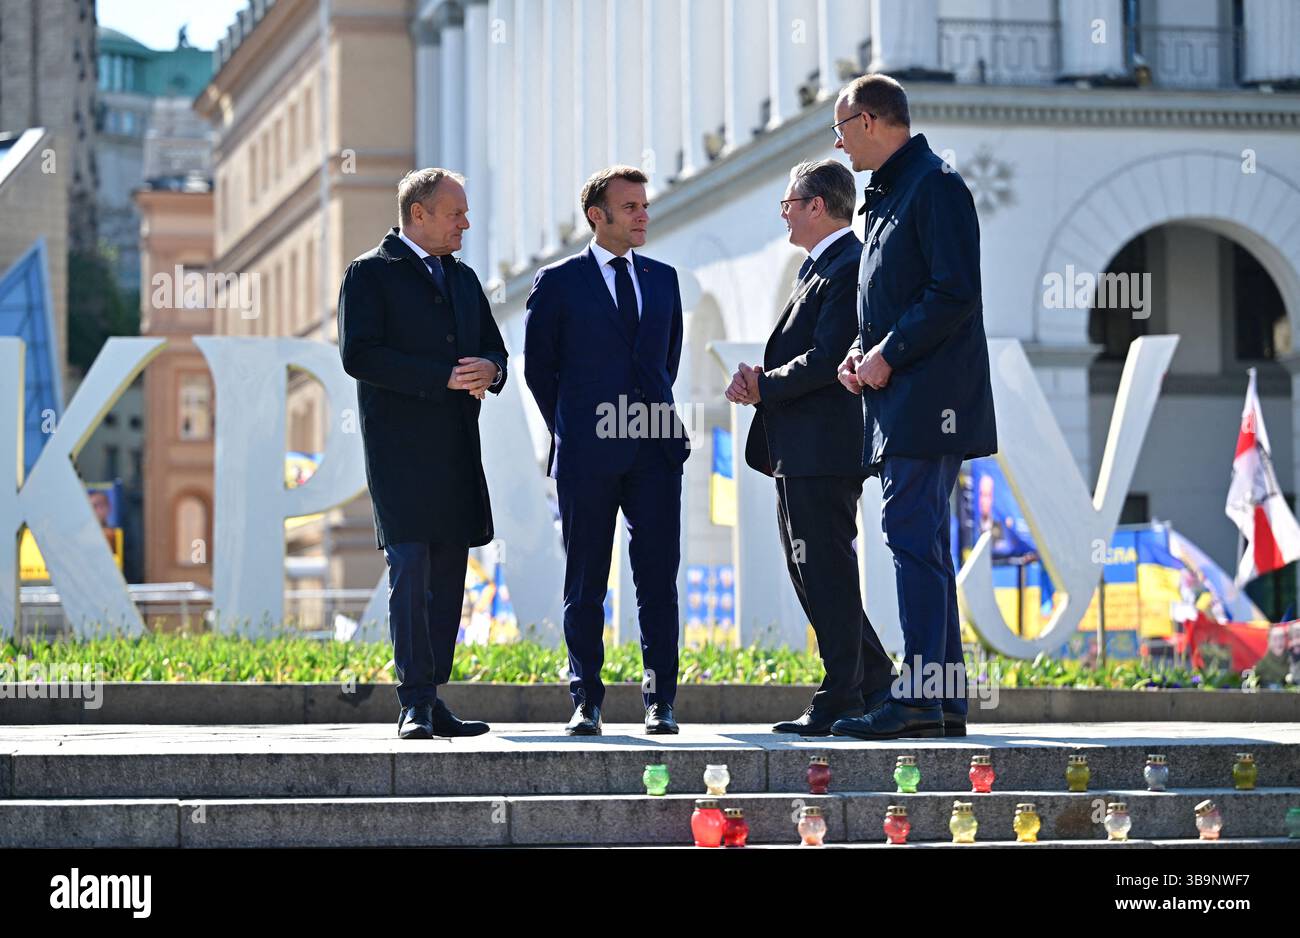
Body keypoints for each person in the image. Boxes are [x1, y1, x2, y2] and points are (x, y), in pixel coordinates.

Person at [829, 74, 998, 740]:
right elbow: (900, 297)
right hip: (905, 399)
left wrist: (889, 354)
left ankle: (922, 695)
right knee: (923, 545)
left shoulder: (934, 186)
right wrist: (860, 351)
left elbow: (954, 292)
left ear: (869, 121)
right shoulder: (893, 194)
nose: (838, 147)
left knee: (909, 540)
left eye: (841, 130)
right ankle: (944, 699)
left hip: (929, 404)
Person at [725, 158, 895, 735]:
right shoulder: (823, 265)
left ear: (817, 206)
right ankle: (873, 683)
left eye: (789, 205)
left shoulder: (846, 264)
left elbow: (826, 359)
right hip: (801, 448)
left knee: (823, 570)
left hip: (823, 449)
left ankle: (840, 695)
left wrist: (760, 385)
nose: (784, 215)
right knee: (814, 569)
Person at [338, 168, 507, 740]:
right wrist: (444, 379)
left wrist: (492, 370)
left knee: (449, 575)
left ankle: (434, 698)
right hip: (399, 453)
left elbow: (494, 350)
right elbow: (360, 356)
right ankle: (412, 700)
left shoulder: (463, 279)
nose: (465, 222)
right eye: (455, 212)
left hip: (456, 449)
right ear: (418, 215)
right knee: (410, 569)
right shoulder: (369, 273)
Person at [524, 165, 689, 736]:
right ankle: (585, 699)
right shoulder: (559, 282)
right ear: (598, 216)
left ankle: (660, 700)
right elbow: (539, 369)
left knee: (657, 579)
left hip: (655, 451)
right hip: (587, 454)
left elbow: (666, 362)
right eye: (630, 207)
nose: (643, 215)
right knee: (586, 579)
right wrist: (574, 427)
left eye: (645, 205)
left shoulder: (664, 279)